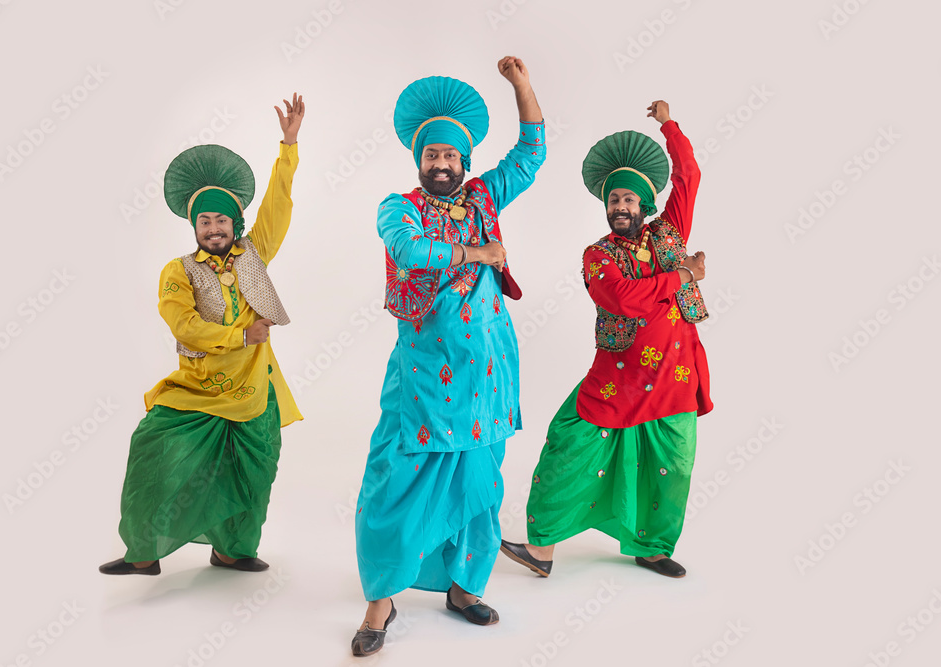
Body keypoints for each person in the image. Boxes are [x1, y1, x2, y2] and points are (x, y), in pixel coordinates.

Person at [351, 57, 546, 657]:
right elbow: (409, 252)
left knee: (479, 480)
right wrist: (477, 254)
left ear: (465, 162)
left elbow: (531, 154)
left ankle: (464, 588)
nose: (442, 164)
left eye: (451, 156)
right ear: (420, 162)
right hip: (424, 383)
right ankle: (381, 600)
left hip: (487, 376)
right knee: (396, 484)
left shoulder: (486, 195)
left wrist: (521, 85)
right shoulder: (399, 206)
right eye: (432, 155)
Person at [501, 100, 711, 580]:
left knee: (672, 467)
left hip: (675, 378)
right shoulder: (598, 255)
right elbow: (621, 299)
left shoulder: (670, 232)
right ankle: (542, 548)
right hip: (619, 380)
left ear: (645, 204)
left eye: (629, 200)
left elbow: (689, 176)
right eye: (614, 199)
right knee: (568, 446)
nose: (620, 206)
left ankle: (652, 548)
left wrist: (668, 125)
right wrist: (681, 277)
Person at [98, 94, 306, 576]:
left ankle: (232, 550)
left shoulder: (253, 255)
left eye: (222, 220)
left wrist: (288, 146)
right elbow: (183, 324)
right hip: (196, 390)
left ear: (236, 224)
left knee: (253, 472)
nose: (214, 228)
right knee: (153, 449)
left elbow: (278, 205)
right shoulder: (180, 270)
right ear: (195, 226)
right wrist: (241, 337)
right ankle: (144, 552)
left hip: (255, 391)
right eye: (205, 221)